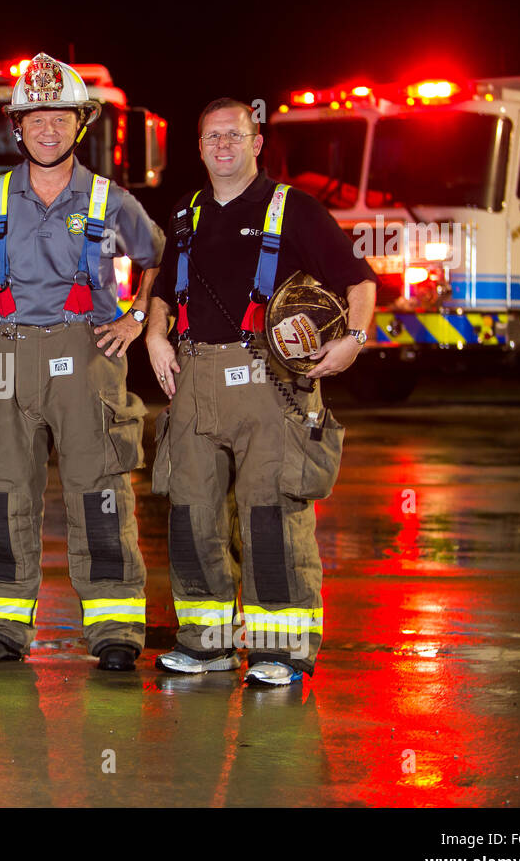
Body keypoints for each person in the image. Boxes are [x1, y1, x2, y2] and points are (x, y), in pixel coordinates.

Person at [0, 53, 164, 672]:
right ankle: (2, 628)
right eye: (35, 118)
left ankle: (116, 627)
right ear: (18, 125)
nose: (47, 129)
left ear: (79, 125)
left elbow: (155, 253)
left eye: (60, 118)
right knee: (4, 491)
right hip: (8, 352)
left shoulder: (108, 199)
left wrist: (135, 317)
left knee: (101, 491)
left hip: (86, 352)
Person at [145, 97, 377, 685]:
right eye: (211, 137)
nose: (222, 145)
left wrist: (353, 338)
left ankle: (280, 652)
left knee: (270, 513)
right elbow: (165, 292)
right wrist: (154, 334)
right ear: (198, 149)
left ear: (256, 143)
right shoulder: (185, 213)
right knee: (191, 511)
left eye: (234, 135)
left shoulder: (294, 208)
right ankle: (206, 643)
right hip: (196, 377)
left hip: (272, 384)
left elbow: (359, 280)